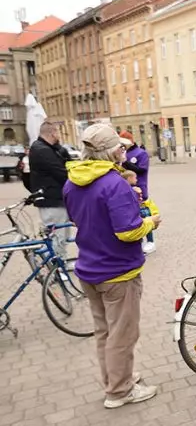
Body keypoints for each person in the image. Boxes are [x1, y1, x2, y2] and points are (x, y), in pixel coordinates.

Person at [63, 123, 159, 409]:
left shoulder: (73, 181)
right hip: (118, 271)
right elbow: (127, 231)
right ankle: (119, 391)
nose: (123, 151)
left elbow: (78, 219)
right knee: (123, 333)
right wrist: (149, 223)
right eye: (119, 147)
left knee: (105, 331)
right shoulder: (114, 183)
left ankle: (118, 377)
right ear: (107, 152)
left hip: (89, 267)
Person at [28, 120, 72, 256]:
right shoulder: (42, 150)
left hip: (54, 198)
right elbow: (61, 172)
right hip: (51, 199)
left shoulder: (47, 148)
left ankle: (60, 264)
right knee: (57, 235)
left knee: (62, 234)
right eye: (57, 132)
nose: (59, 135)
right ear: (52, 133)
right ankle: (57, 269)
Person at [119, 131, 155, 254]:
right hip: (125, 190)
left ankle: (150, 241)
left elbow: (141, 170)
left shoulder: (141, 153)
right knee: (132, 215)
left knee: (144, 213)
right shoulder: (123, 153)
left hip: (139, 188)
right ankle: (138, 240)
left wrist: (125, 162)